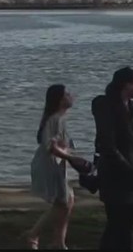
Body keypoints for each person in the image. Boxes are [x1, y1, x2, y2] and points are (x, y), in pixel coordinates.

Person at [92, 66, 133, 251]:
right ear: (126, 84)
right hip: (116, 176)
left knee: (126, 226)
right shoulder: (104, 105)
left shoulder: (131, 106)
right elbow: (107, 144)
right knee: (117, 224)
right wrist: (127, 169)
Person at [25, 84, 85, 250]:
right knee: (63, 202)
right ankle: (34, 234)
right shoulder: (55, 120)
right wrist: (72, 158)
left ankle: (59, 242)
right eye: (67, 94)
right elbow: (51, 148)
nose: (71, 96)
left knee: (68, 200)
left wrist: (70, 157)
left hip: (56, 165)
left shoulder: (58, 119)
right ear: (59, 100)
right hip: (49, 165)